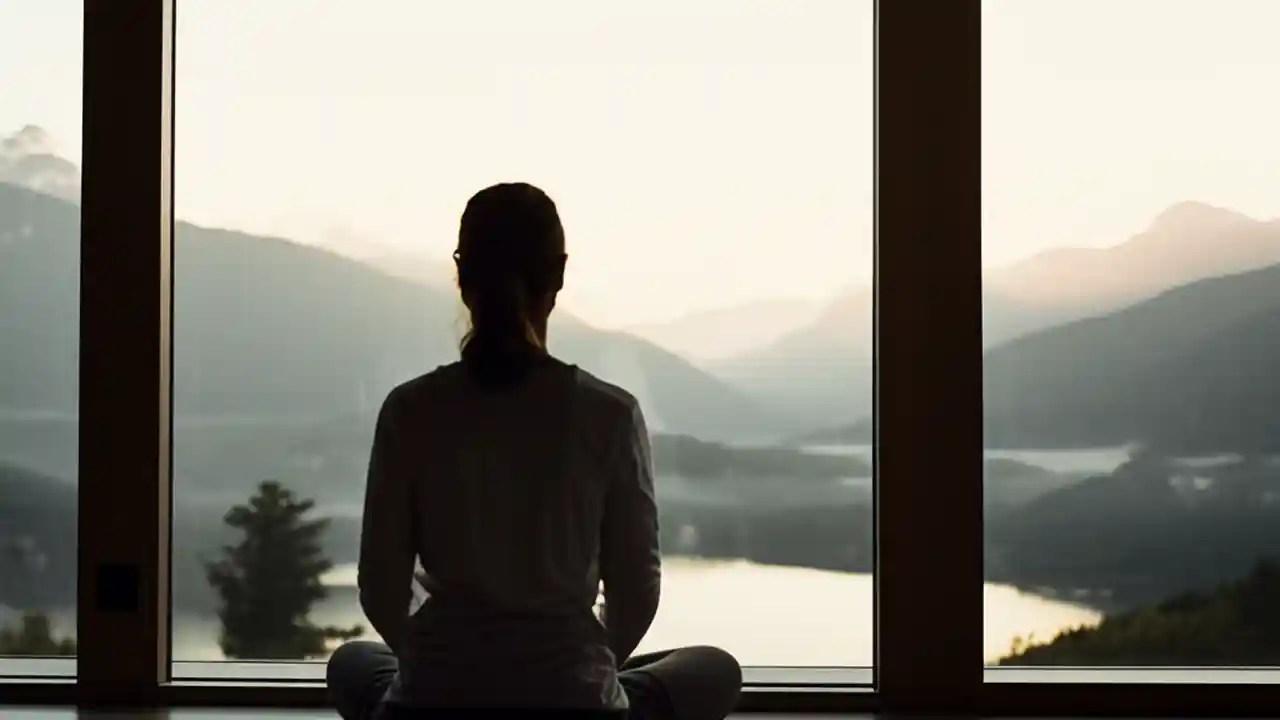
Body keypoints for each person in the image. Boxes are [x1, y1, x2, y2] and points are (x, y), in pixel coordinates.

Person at [327, 183, 742, 719]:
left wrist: (435, 666)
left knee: (352, 662)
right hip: (573, 704)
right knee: (714, 669)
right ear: (559, 273)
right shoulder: (609, 413)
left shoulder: (410, 410)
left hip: (432, 704)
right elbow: (637, 592)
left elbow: (381, 589)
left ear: (462, 275)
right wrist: (586, 671)